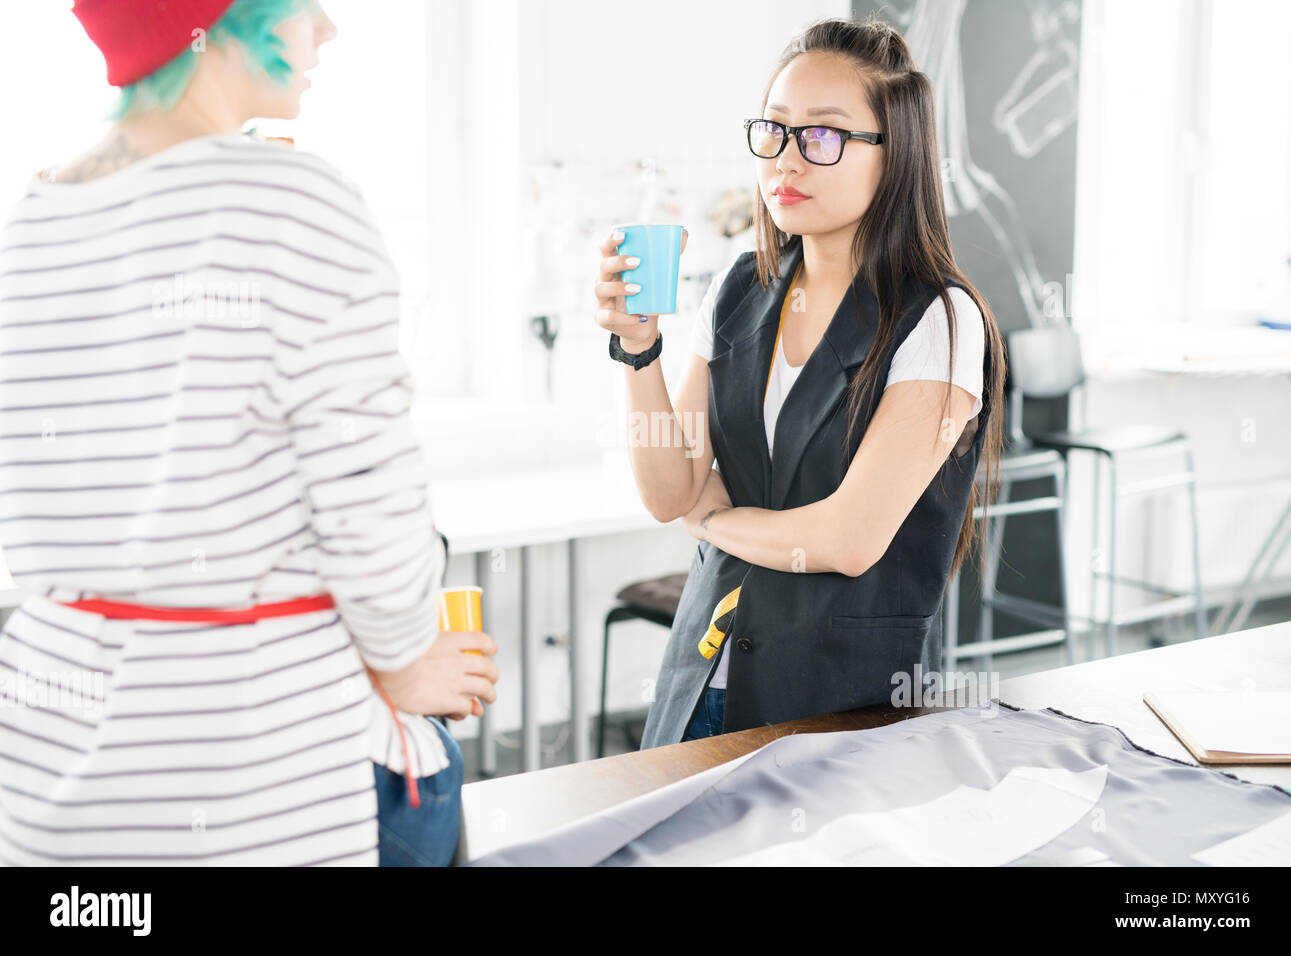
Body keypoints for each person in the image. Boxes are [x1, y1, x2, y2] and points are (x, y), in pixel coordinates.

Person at [0, 0, 496, 865]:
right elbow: (371, 513)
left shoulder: (31, 221)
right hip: (252, 776)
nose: (328, 28)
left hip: (52, 773)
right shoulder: (294, 200)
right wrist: (405, 659)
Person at [593, 16, 1008, 748]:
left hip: (839, 702)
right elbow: (668, 493)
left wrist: (713, 522)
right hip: (700, 679)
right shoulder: (738, 288)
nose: (787, 159)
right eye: (775, 129)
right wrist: (638, 349)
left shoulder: (940, 322)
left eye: (822, 135)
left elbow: (849, 540)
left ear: (896, 154)